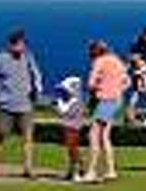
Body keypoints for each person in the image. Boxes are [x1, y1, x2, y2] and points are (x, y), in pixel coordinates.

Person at [0, 27, 44, 179]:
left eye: (22, 44)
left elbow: (36, 73)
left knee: (28, 137)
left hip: (26, 105)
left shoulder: (28, 58)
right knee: (1, 134)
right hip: (4, 106)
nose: (20, 47)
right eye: (17, 44)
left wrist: (38, 88)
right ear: (10, 45)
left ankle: (28, 169)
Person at [84, 39, 128, 182]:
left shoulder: (99, 62)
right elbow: (126, 82)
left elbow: (90, 83)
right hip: (117, 100)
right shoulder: (117, 61)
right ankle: (110, 170)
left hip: (105, 100)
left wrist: (99, 87)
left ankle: (91, 172)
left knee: (93, 135)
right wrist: (116, 89)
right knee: (104, 136)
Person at [53, 75, 86, 182]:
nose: (63, 93)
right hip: (69, 126)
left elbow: (65, 112)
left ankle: (78, 171)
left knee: (73, 149)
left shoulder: (75, 101)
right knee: (71, 149)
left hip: (73, 127)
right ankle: (73, 170)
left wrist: (59, 105)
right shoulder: (70, 100)